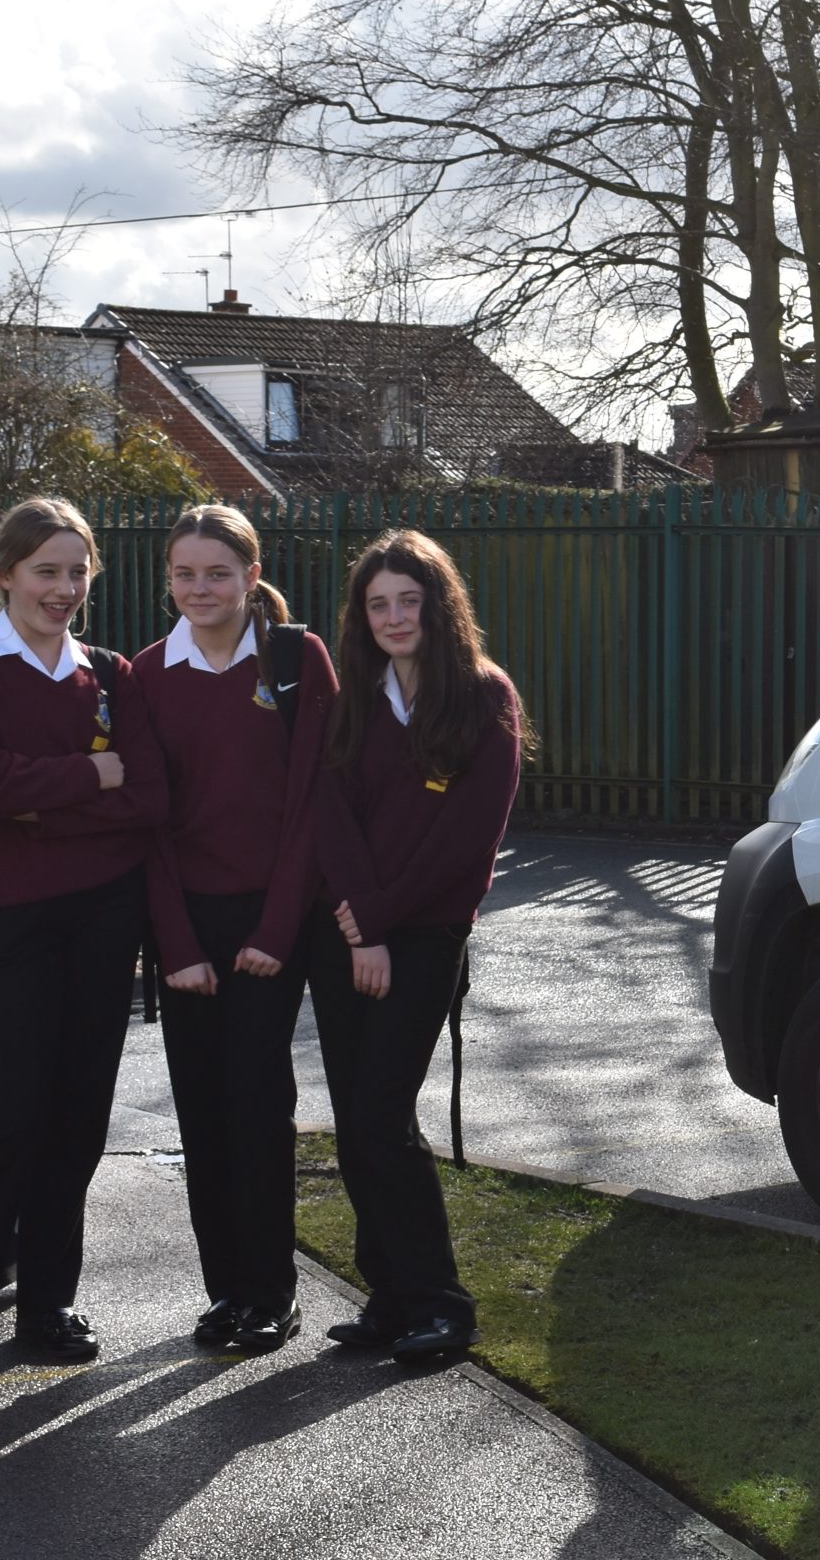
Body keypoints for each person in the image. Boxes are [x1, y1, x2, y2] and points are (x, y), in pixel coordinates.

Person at [0, 497, 165, 1376]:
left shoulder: (113, 675)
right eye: (45, 571)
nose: (63, 589)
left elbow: (147, 799)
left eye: (76, 571)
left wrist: (32, 806)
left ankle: (48, 1306)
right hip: (3, 915)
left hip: (102, 916)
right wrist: (87, 778)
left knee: (79, 1114)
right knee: (16, 1107)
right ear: (6, 574)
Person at [310, 529, 527, 1363]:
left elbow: (465, 842)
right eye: (378, 604)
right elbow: (331, 816)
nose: (394, 616)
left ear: (439, 608)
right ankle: (390, 1297)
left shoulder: (483, 697)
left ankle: (443, 1303)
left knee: (379, 1117)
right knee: (357, 1122)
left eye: (409, 600)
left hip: (426, 939)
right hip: (347, 940)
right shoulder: (352, 696)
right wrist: (359, 924)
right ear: (361, 617)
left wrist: (381, 925)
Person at [135, 505, 338, 1356]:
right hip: (189, 927)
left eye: (217, 573)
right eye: (184, 574)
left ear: (253, 576)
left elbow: (314, 805)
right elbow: (147, 822)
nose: (199, 589)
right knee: (202, 1113)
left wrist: (277, 928)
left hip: (274, 923)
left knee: (257, 1105)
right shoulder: (147, 675)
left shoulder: (298, 660)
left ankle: (270, 1290)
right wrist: (174, 946)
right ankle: (225, 1291)